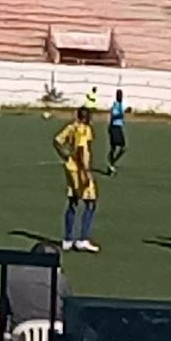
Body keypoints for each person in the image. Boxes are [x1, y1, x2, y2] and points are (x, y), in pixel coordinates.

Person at [53, 107, 99, 252]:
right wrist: (86, 172)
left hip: (70, 167)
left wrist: (65, 155)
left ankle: (67, 240)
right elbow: (81, 149)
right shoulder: (84, 130)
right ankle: (83, 239)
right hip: (80, 169)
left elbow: (57, 141)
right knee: (90, 203)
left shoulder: (71, 127)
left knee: (73, 201)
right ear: (86, 118)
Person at [107, 89, 127, 175]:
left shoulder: (121, 105)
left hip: (119, 127)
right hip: (114, 127)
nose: (120, 97)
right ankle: (111, 164)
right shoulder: (115, 105)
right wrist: (122, 114)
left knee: (123, 148)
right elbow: (114, 115)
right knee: (114, 148)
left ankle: (112, 162)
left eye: (121, 95)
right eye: (119, 95)